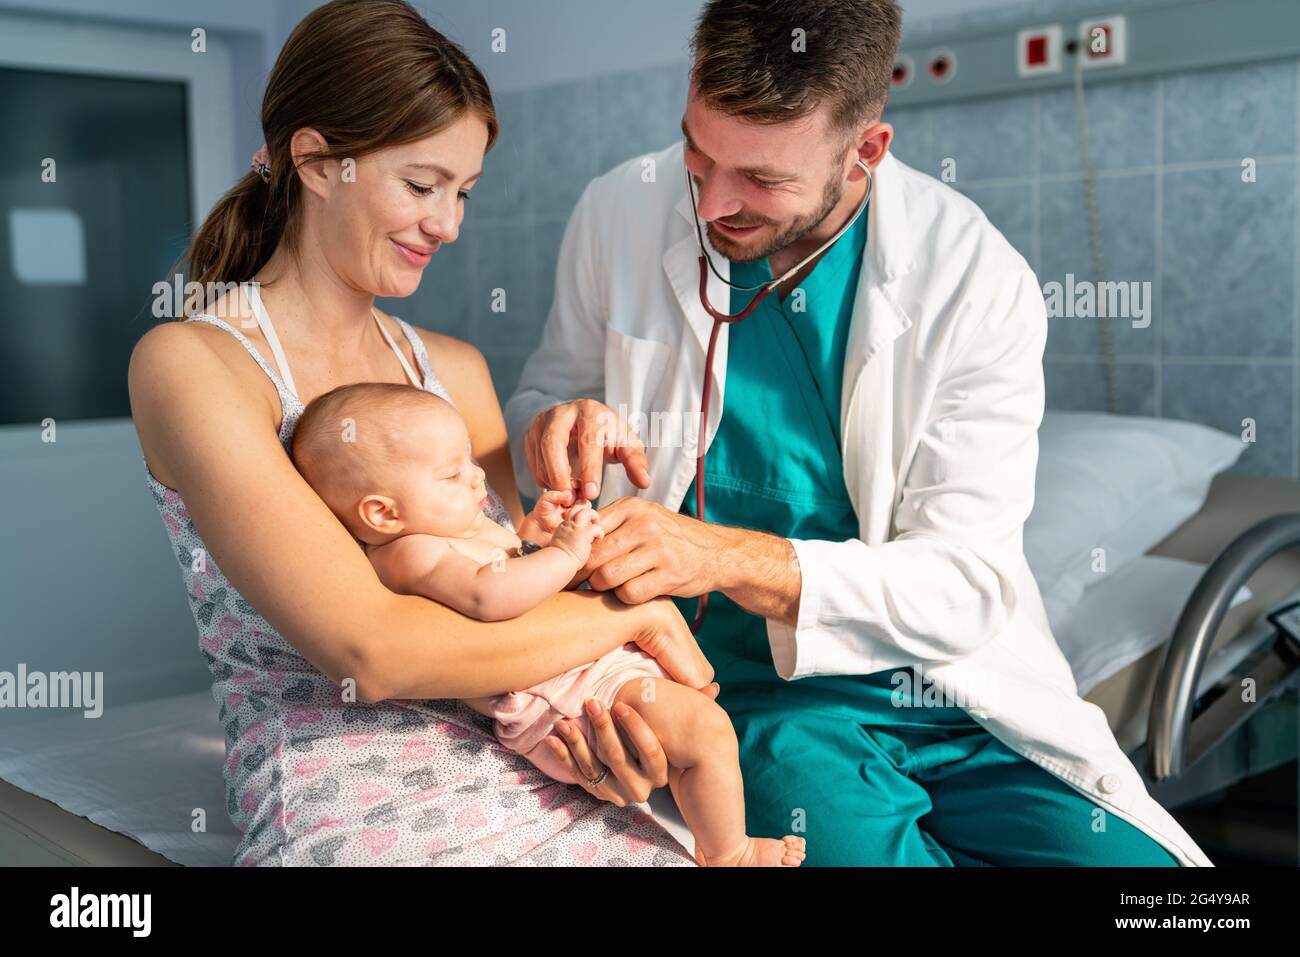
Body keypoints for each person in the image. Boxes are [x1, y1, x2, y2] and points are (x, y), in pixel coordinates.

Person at [504, 0, 1213, 866]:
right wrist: (554, 426)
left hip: (953, 686)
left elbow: (965, 582)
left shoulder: (974, 280)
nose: (713, 199)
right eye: (698, 152)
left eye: (760, 179)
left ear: (864, 151)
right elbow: (547, 390)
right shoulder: (617, 211)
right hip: (752, 695)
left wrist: (722, 555)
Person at [129, 0, 713, 866]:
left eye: (464, 192)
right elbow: (375, 652)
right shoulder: (193, 365)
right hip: (350, 792)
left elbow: (514, 591)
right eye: (422, 185)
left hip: (528, 752)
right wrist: (637, 621)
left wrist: (597, 718)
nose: (449, 224)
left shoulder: (455, 371)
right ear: (318, 162)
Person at [289, 381, 807, 865]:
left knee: (697, 729)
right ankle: (730, 852)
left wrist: (533, 538)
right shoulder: (408, 553)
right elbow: (490, 596)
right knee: (709, 733)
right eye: (452, 474)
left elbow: (516, 577)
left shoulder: (456, 530)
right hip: (560, 697)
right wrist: (562, 552)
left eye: (470, 460)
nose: (477, 476)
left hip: (581, 671)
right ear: (382, 514)